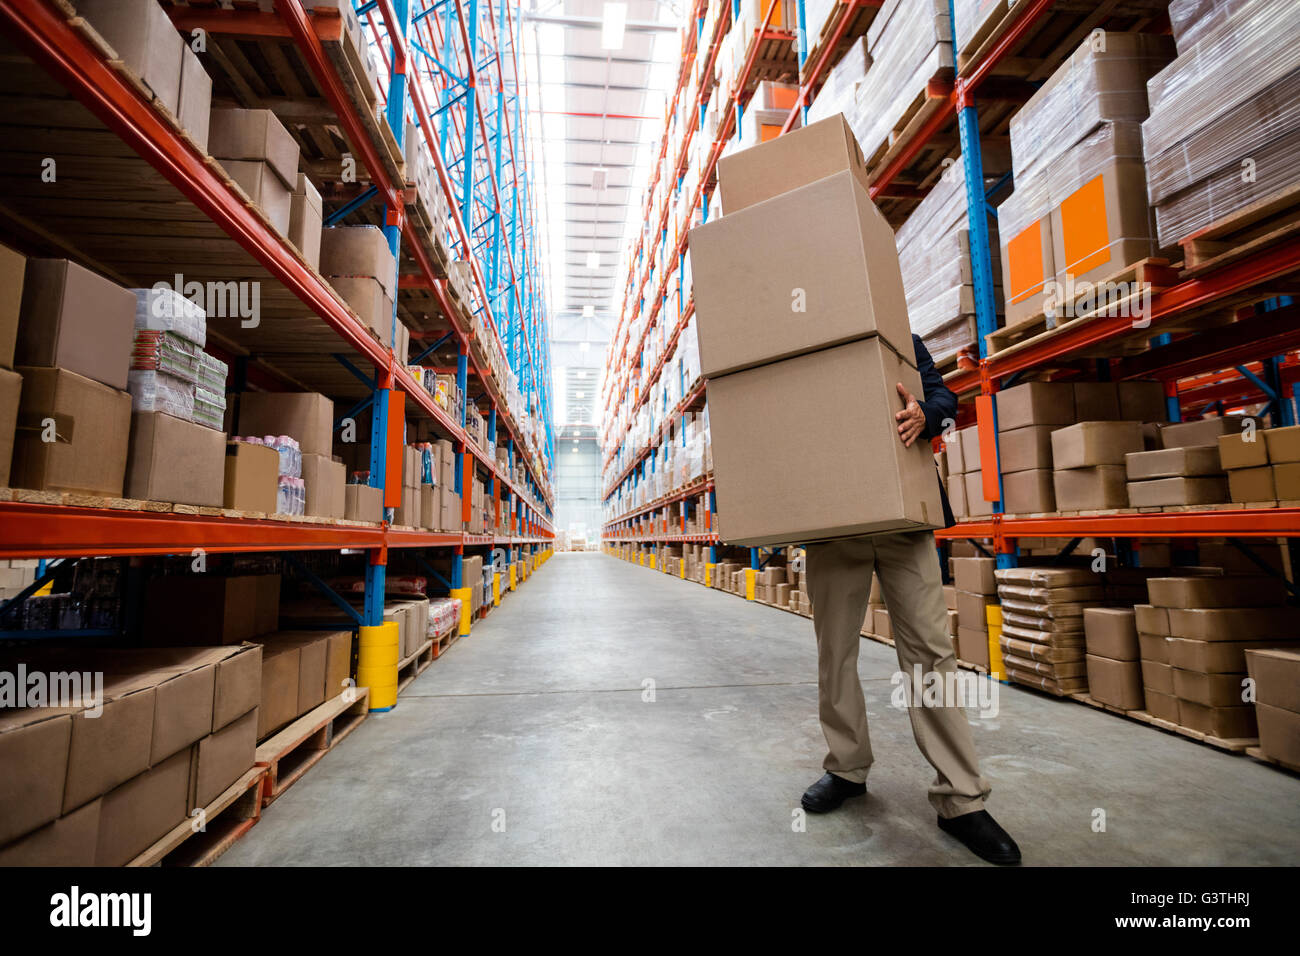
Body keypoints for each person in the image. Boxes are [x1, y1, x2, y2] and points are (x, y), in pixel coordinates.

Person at [799, 333, 1021, 866]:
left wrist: (925, 413)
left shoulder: (898, 337)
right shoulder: (802, 345)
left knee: (930, 651)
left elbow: (946, 400)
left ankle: (961, 799)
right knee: (835, 652)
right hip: (833, 524)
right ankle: (846, 768)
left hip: (905, 519)